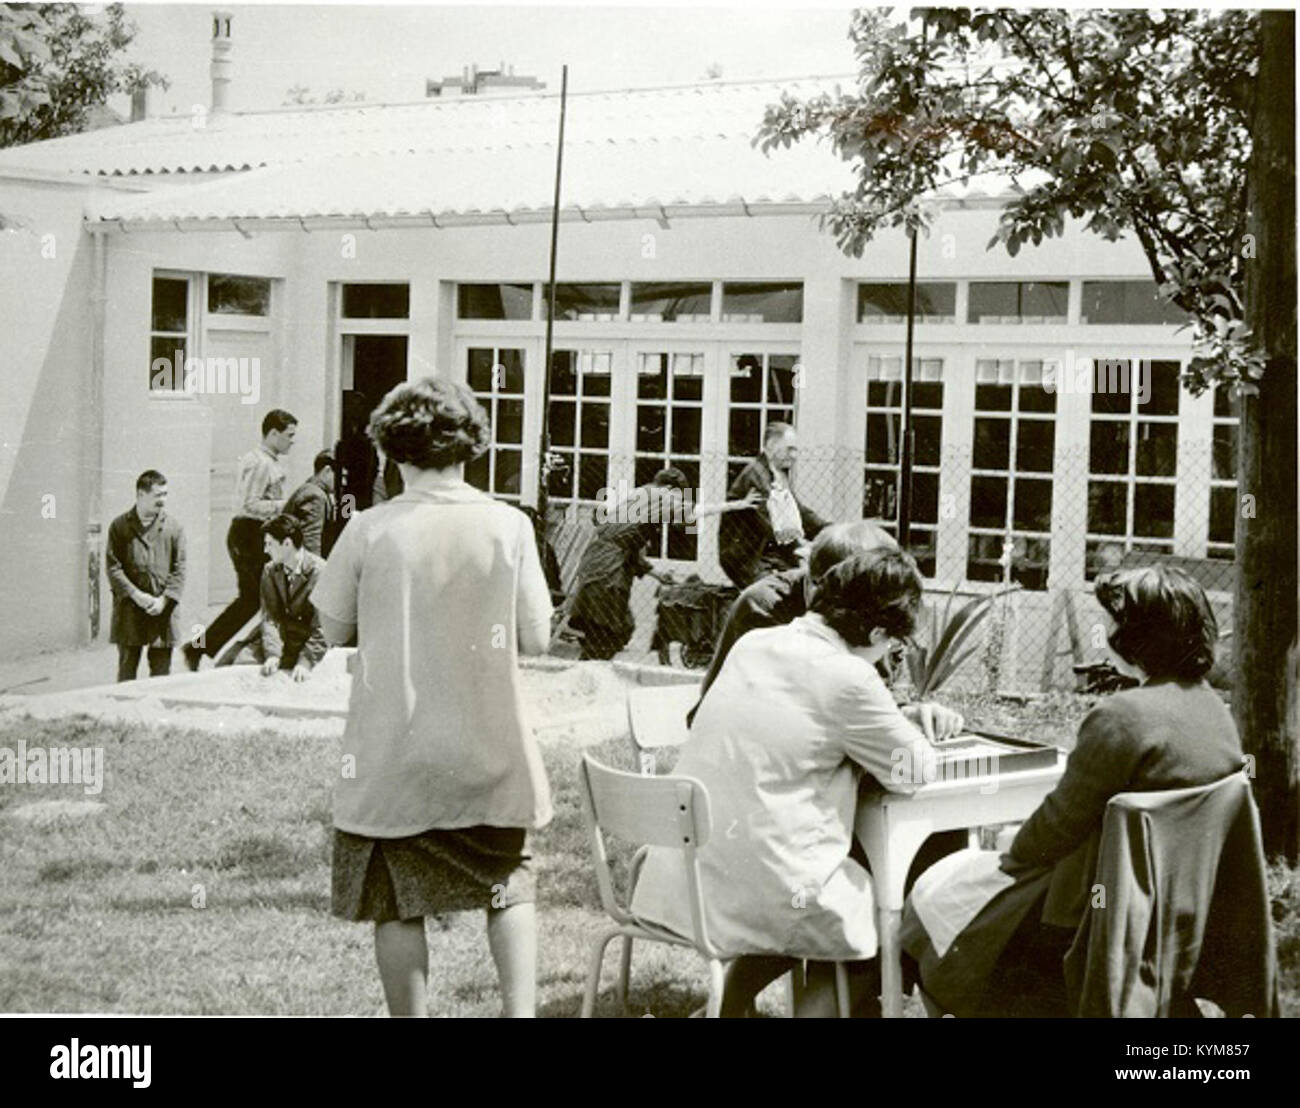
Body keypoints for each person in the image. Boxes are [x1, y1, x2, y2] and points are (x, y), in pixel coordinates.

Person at [629, 550, 963, 1017]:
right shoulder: (851, 678)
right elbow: (915, 770)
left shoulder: (757, 644)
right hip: (767, 884)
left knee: (834, 895)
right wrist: (909, 727)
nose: (890, 658)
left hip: (689, 872)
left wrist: (891, 719)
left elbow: (795, 720)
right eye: (894, 647)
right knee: (888, 913)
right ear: (875, 634)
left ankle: (727, 1006)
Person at [901, 565, 1246, 1017]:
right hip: (1171, 915)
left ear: (1136, 636)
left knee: (931, 894)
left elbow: (1054, 830)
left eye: (1112, 622)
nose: (1102, 631)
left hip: (1081, 917)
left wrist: (1011, 843)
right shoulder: (1216, 714)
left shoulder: (1121, 717)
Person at [311, 376, 553, 1018]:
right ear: (470, 446)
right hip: (490, 751)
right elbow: (539, 637)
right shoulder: (509, 525)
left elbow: (331, 629)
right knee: (508, 885)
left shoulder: (367, 530)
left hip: (396, 755)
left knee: (395, 902)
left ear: (393, 451)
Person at [687, 520, 898, 726]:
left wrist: (907, 712)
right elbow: (776, 706)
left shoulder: (867, 611)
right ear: (827, 585)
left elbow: (878, 690)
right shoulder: (765, 604)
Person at [566, 472, 759, 661]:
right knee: (607, 627)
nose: (678, 503)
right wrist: (737, 504)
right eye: (679, 496)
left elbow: (626, 544)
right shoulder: (660, 495)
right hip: (608, 568)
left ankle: (590, 666)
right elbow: (694, 511)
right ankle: (589, 668)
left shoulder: (641, 494)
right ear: (669, 488)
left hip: (601, 561)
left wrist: (657, 574)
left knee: (617, 627)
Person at [184, 409, 297, 669]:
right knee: (256, 599)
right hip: (249, 534)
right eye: (289, 435)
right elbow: (250, 504)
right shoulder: (260, 463)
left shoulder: (266, 460)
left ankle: (201, 648)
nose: (293, 441)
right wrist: (285, 505)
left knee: (254, 599)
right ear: (273, 433)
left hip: (251, 534)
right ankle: (204, 649)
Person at [717, 421, 828, 589]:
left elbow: (800, 512)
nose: (794, 455)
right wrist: (802, 547)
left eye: (795, 450)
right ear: (770, 447)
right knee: (788, 592)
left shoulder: (777, 474)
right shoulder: (756, 476)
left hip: (769, 554)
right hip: (748, 559)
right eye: (789, 449)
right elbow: (773, 525)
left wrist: (831, 532)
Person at [106, 470, 186, 682]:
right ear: (141, 494)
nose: (163, 500)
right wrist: (136, 595)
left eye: (165, 494)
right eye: (157, 495)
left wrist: (164, 600)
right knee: (127, 674)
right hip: (130, 610)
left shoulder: (174, 528)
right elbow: (113, 568)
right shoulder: (119, 527)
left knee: (161, 677)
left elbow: (179, 569)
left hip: (162, 612)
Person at [257, 514, 327, 682]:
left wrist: (306, 661)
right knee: (234, 662)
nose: (265, 550)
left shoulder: (320, 572)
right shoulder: (270, 570)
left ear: (287, 544)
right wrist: (272, 654)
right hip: (280, 641)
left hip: (309, 646)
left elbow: (323, 627)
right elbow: (269, 617)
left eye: (269, 544)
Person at [283, 451, 336, 557]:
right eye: (340, 476)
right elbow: (311, 543)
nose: (342, 481)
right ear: (327, 471)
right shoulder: (316, 496)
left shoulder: (311, 489)